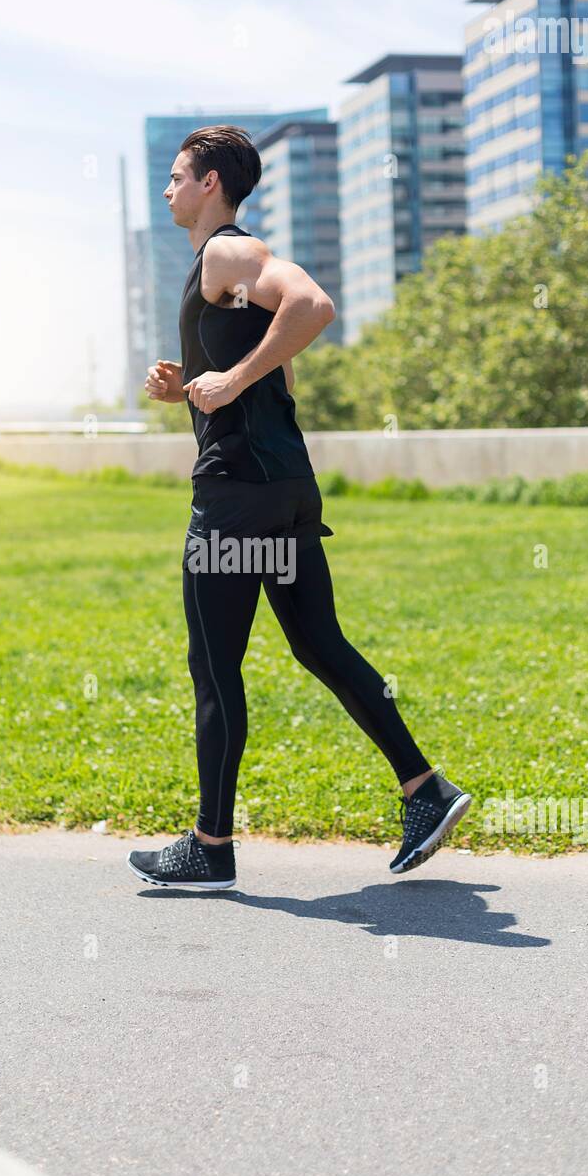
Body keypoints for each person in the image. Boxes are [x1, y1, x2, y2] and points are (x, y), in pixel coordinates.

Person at [127, 125, 470, 891]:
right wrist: (195, 379)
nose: (169, 188)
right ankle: (426, 790)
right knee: (318, 644)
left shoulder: (227, 252)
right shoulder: (224, 273)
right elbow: (265, 357)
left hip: (235, 497)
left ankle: (210, 846)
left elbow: (313, 304)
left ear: (211, 183)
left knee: (214, 669)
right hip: (282, 492)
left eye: (179, 176)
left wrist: (234, 378)